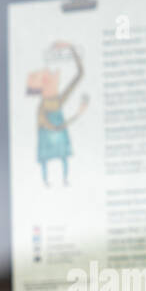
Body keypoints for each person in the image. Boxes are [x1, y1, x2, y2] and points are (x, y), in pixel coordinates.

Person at [26, 41, 89, 186]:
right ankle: (46, 181)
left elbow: (80, 75)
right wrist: (76, 115)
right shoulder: (42, 107)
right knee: (48, 161)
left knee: (62, 159)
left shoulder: (59, 100)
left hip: (57, 139)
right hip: (49, 141)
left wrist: (72, 50)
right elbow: (51, 126)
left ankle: (63, 179)